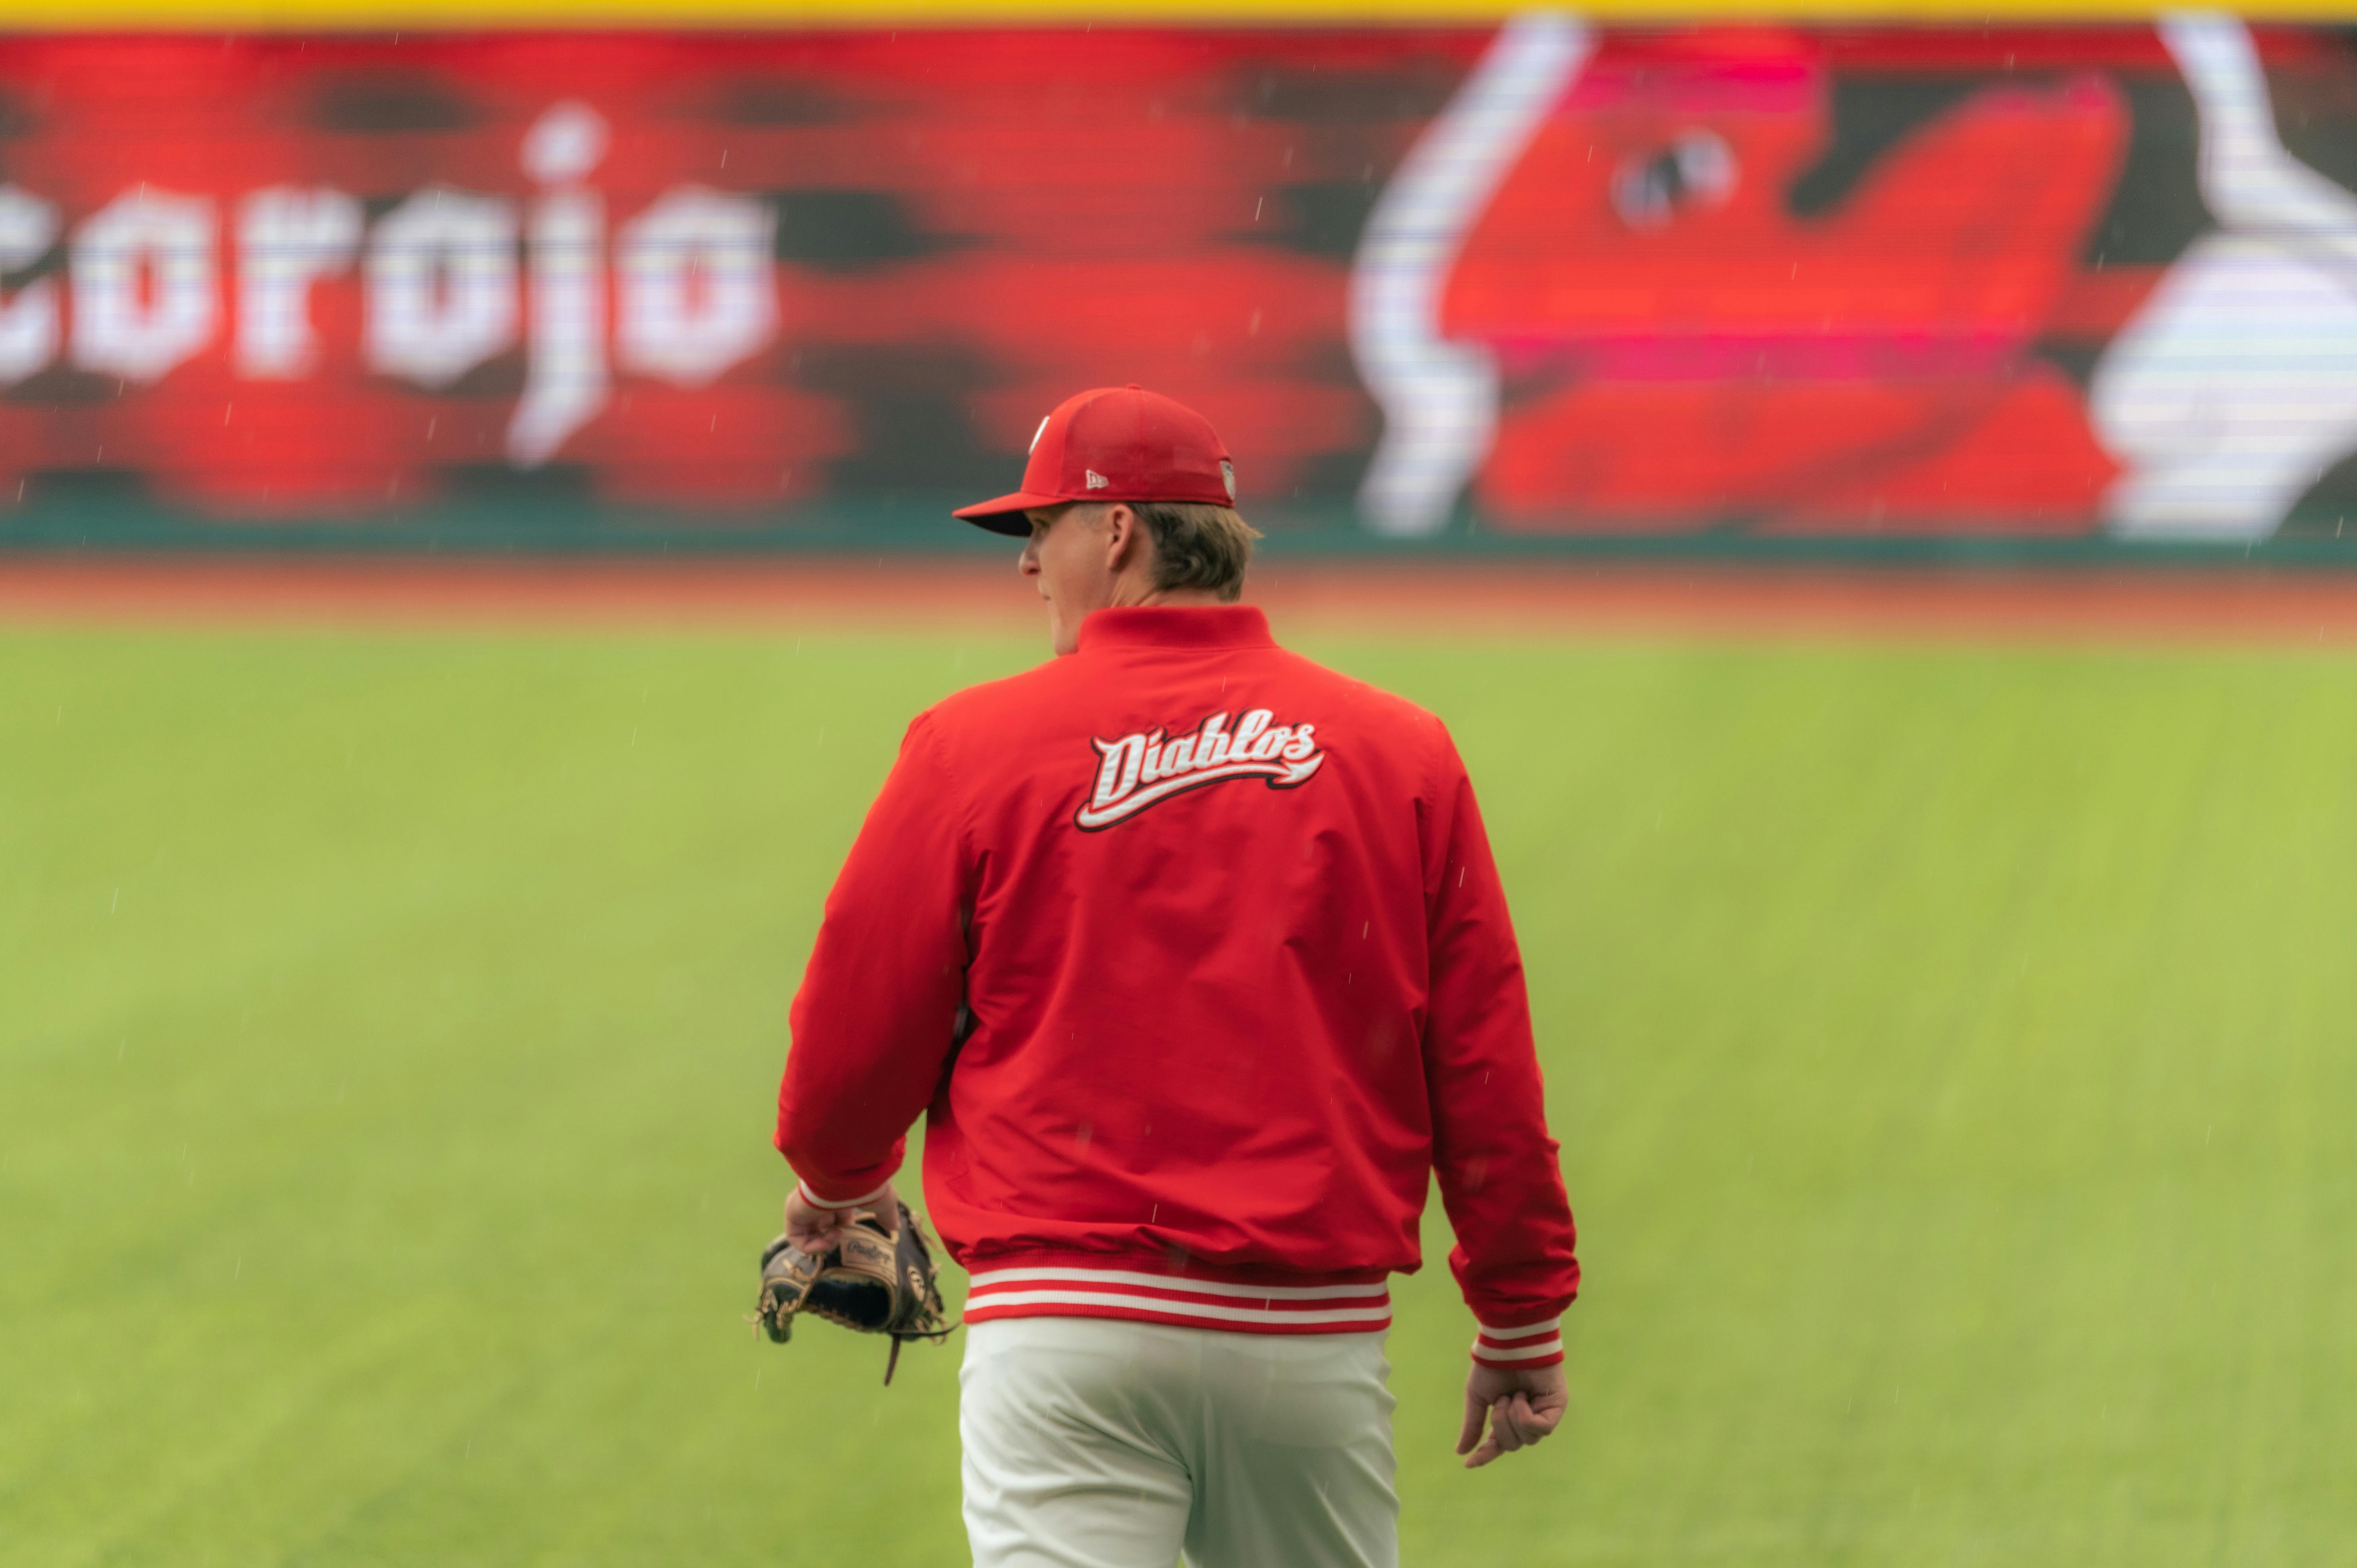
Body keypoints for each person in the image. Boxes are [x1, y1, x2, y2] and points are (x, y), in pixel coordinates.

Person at [774, 384, 1580, 1568]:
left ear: (1117, 533)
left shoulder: (972, 746)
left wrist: (838, 1181)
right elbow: (1478, 1053)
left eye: (1038, 530)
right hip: (1306, 1347)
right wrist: (1519, 1311)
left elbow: (856, 1026)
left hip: (1066, 1335)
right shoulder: (1396, 752)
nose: (1024, 567)